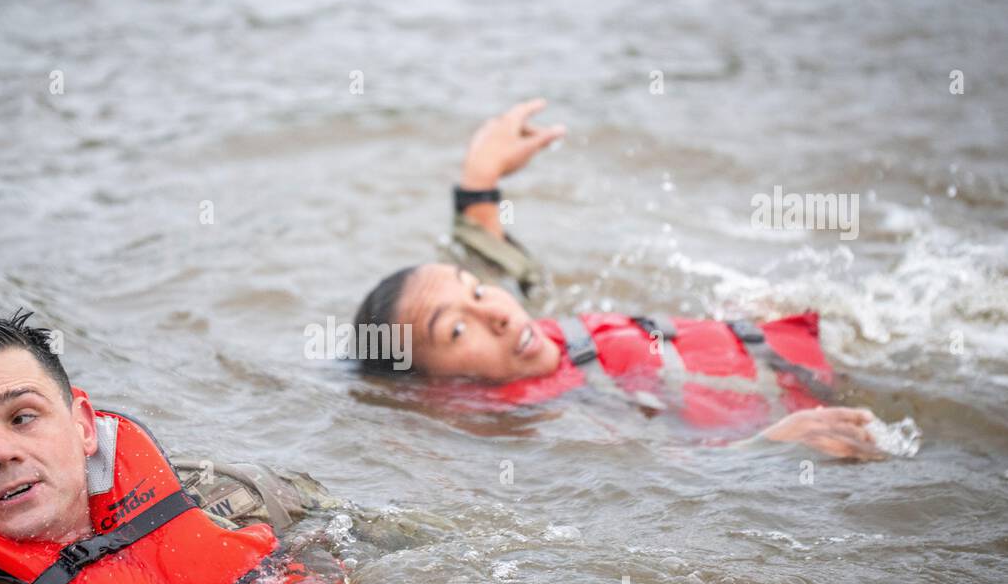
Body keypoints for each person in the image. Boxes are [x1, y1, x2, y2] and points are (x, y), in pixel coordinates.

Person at [353, 99, 886, 460]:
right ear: (437, 393)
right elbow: (673, 482)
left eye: (473, 290)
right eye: (456, 331)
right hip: (842, 419)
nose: (495, 311)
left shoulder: (521, 331)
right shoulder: (563, 420)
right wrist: (773, 450)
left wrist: (480, 178)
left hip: (834, 343)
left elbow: (495, 271)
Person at [0, 311, 336, 584]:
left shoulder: (242, 496)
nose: (2, 452)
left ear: (84, 427)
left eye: (23, 417)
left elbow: (382, 547)